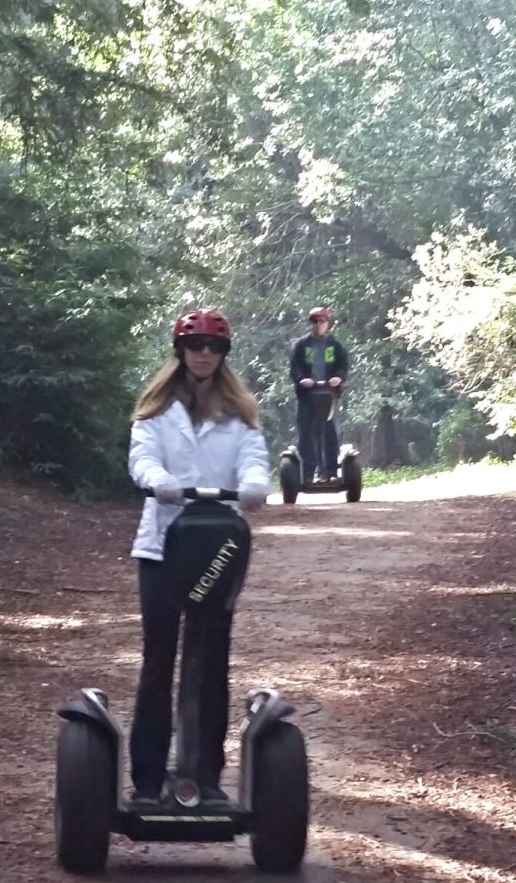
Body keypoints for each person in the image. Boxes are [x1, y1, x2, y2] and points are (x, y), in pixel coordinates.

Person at [127, 308, 271, 808]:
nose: (205, 354)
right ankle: (147, 780)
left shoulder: (239, 415)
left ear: (223, 354)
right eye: (196, 346)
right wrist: (155, 479)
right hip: (163, 547)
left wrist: (254, 485)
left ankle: (205, 777)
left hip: (219, 547)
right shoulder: (155, 411)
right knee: (158, 661)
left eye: (214, 347)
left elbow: (255, 459)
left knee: (211, 662)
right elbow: (141, 457)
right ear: (181, 352)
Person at [289, 306, 350, 482]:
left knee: (330, 431)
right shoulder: (301, 345)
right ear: (311, 323)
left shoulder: (335, 345)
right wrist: (301, 379)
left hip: (328, 394)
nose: (318, 325)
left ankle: (331, 471)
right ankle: (307, 473)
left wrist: (338, 377)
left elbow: (343, 365)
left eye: (321, 321)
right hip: (307, 395)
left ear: (327, 323)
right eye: (315, 321)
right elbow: (295, 366)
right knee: (306, 432)